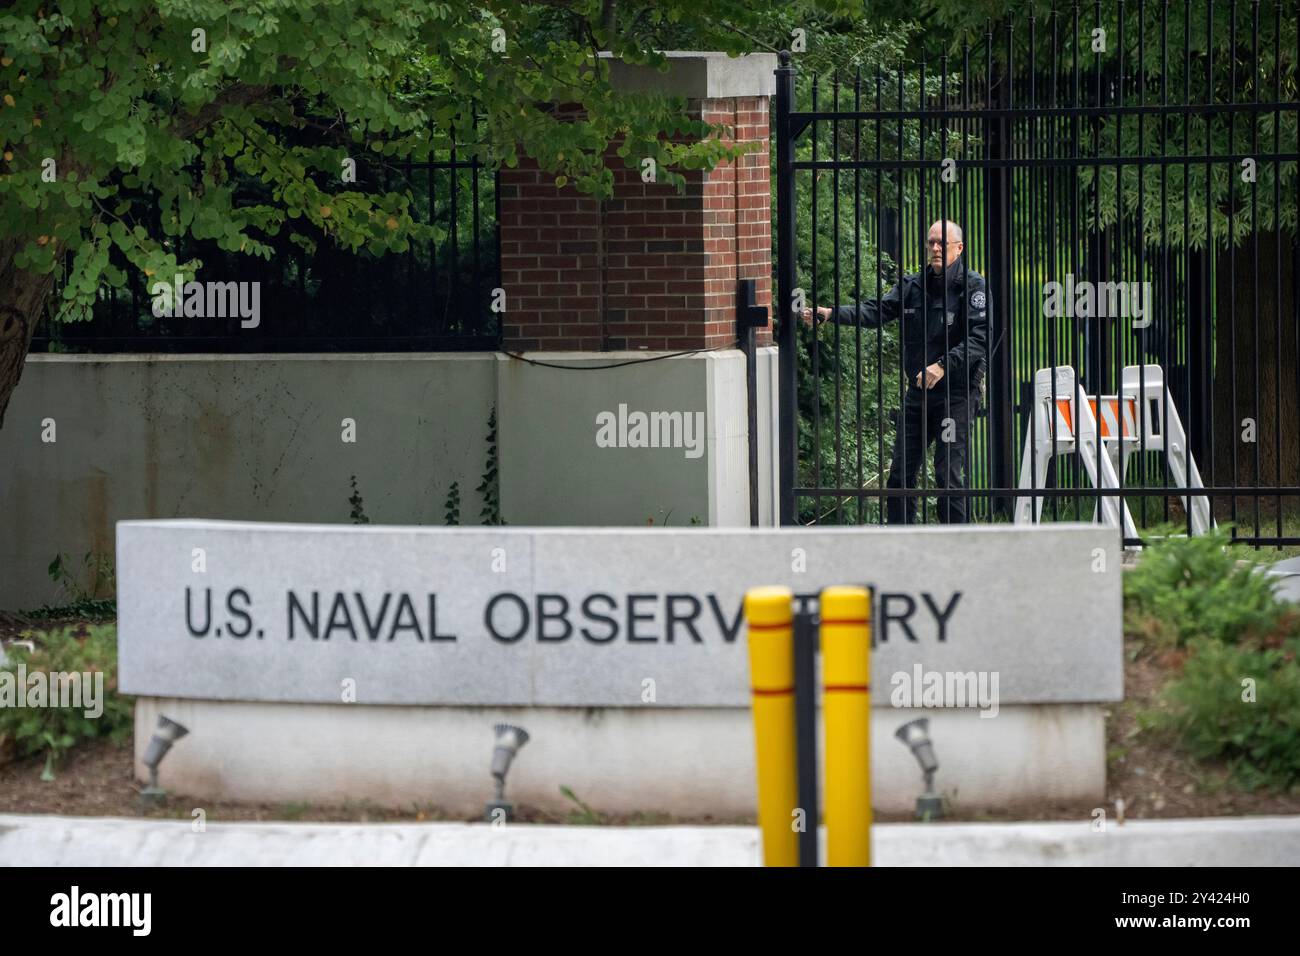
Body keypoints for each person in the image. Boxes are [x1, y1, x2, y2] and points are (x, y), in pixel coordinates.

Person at [801, 219, 990, 524]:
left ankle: (959, 547)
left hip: (955, 396)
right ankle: (899, 547)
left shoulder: (973, 287)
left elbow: (979, 339)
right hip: (918, 395)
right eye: (931, 242)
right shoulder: (913, 286)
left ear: (959, 248)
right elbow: (876, 311)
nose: (935, 248)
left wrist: (943, 366)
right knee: (901, 476)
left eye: (942, 242)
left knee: (948, 477)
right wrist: (832, 314)